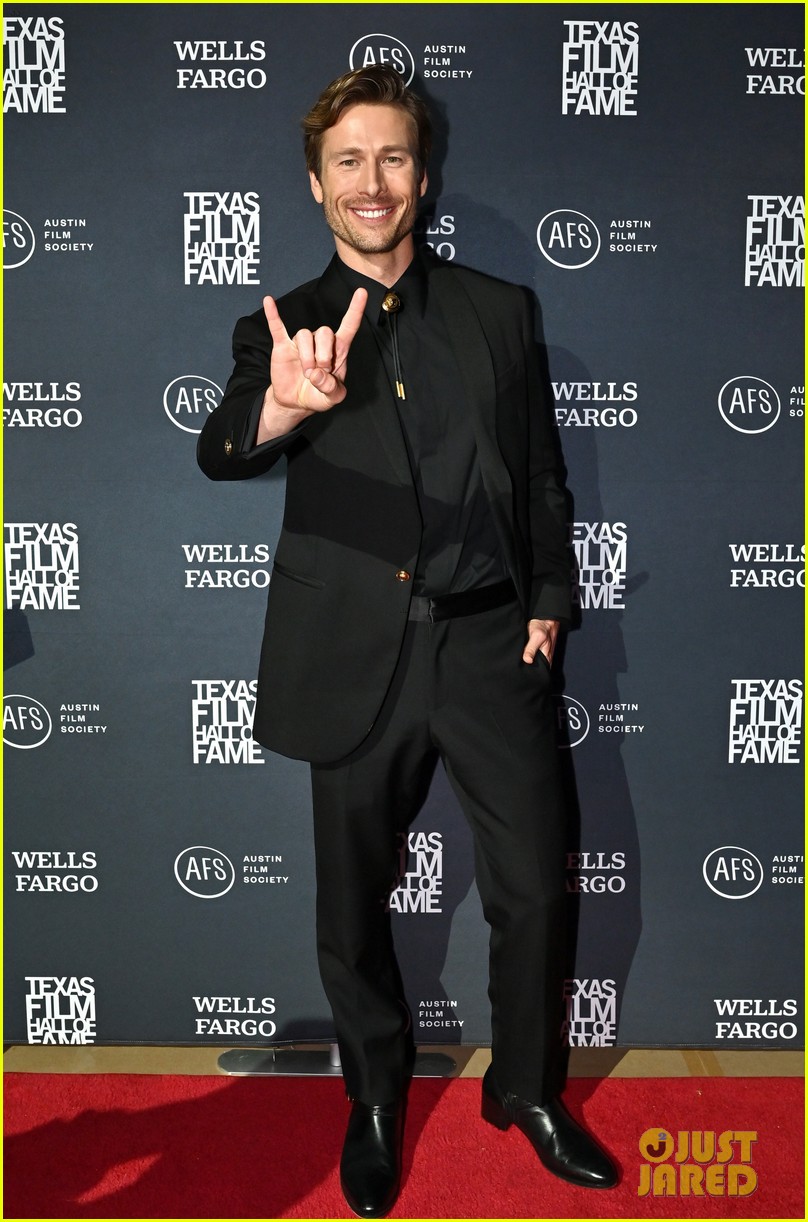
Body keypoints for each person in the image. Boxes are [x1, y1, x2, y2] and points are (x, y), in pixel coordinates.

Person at [198, 65, 617, 1216]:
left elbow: (539, 471)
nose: (371, 182)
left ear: (422, 177)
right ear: (316, 186)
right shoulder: (277, 326)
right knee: (351, 903)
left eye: (391, 157)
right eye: (348, 162)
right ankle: (375, 1095)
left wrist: (545, 594)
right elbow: (225, 447)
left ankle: (527, 1091)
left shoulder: (499, 310)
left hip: (491, 646)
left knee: (535, 888)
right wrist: (285, 403)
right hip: (356, 658)